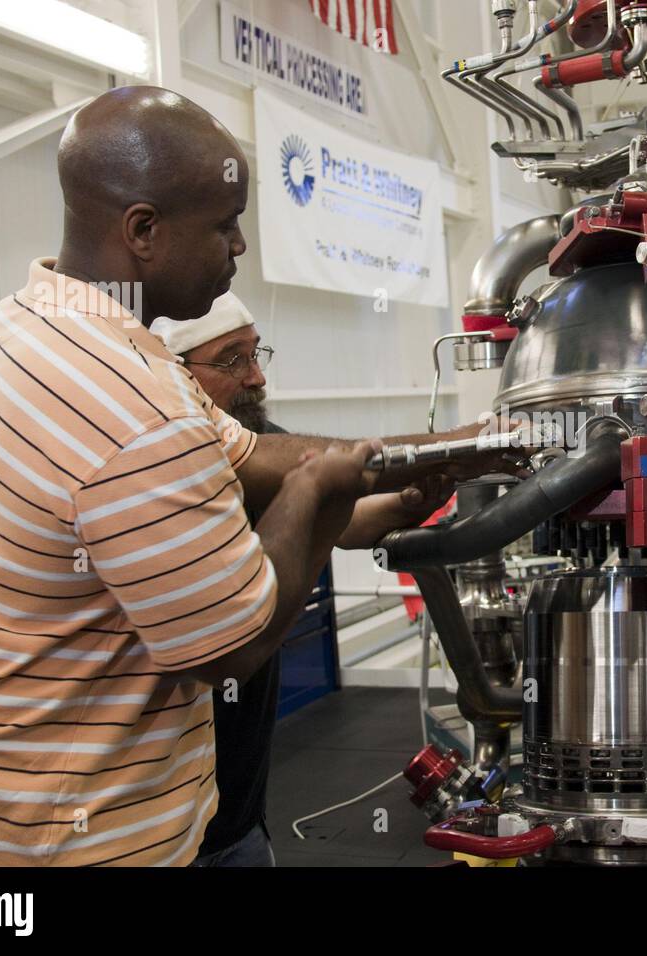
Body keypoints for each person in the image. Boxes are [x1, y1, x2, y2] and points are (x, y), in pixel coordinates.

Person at [0, 86, 503, 866]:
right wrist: (318, 492)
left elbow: (248, 455)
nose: (239, 247)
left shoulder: (26, 323)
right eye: (223, 226)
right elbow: (227, 644)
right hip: (41, 844)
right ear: (143, 231)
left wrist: (451, 448)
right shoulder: (135, 403)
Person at [150, 295, 449, 867]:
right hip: (163, 829)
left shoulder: (263, 438)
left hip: (241, 811)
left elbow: (344, 521)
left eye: (255, 353)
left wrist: (405, 503)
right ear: (175, 375)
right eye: (232, 360)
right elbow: (218, 652)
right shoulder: (165, 468)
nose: (257, 375)